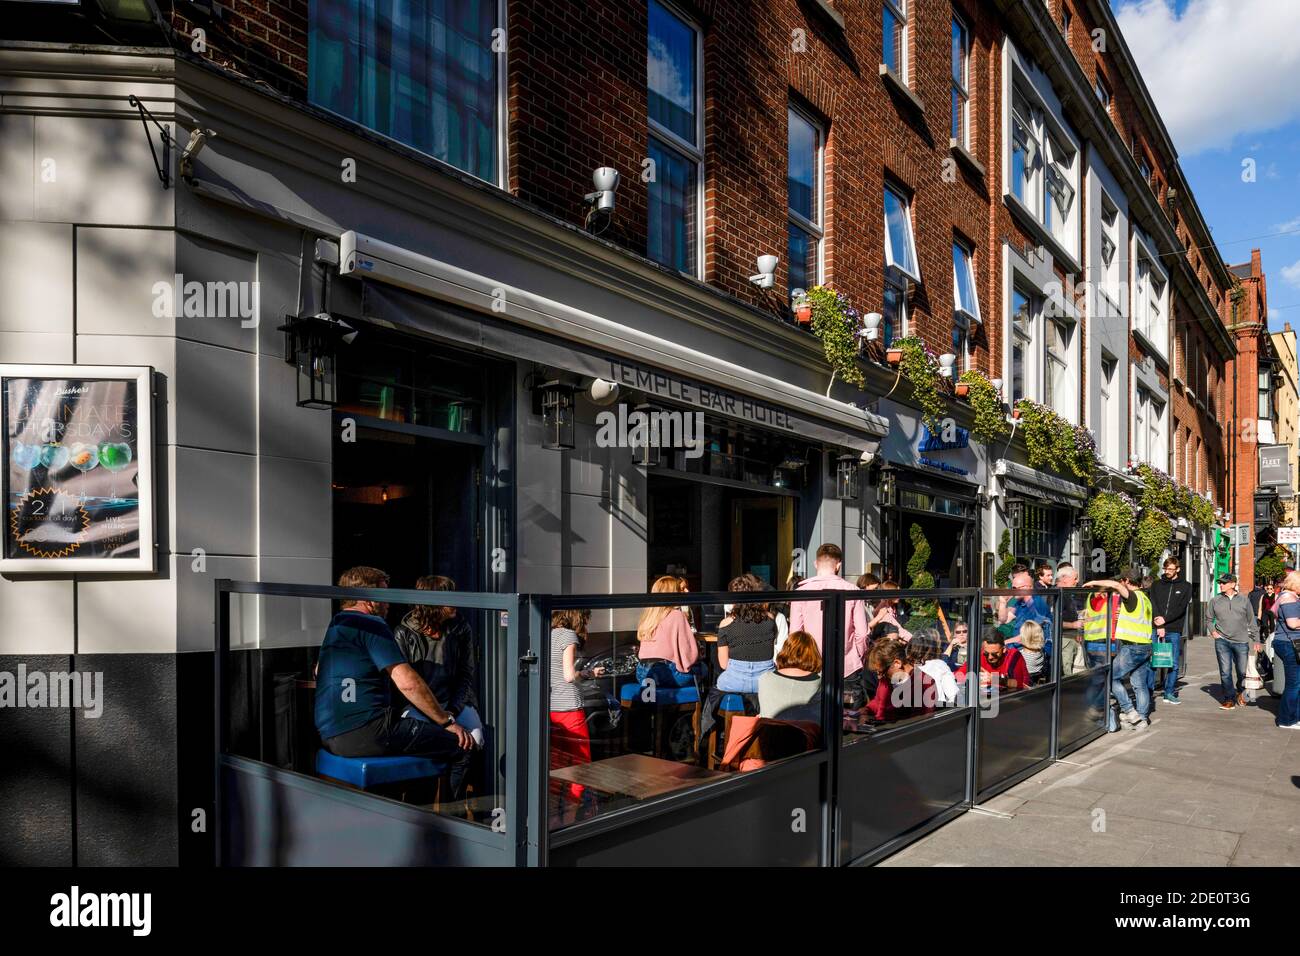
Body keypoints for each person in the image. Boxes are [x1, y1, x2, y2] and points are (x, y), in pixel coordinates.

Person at [314, 566, 475, 800]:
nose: (389, 602)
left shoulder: (338, 624)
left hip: (330, 735)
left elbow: (319, 671)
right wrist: (446, 721)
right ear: (367, 599)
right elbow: (408, 683)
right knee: (462, 745)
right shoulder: (372, 624)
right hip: (370, 732)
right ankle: (448, 822)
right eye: (384, 595)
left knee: (422, 740)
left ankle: (410, 811)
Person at [391, 575, 483, 745]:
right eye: (450, 597)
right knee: (427, 737)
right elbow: (402, 684)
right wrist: (436, 715)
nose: (456, 602)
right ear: (433, 602)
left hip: (453, 703)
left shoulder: (460, 628)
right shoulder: (404, 633)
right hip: (419, 705)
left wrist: (452, 711)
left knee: (474, 740)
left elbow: (466, 674)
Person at [790, 543, 871, 705]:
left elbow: (795, 633)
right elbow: (862, 633)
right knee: (848, 718)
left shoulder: (801, 592)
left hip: (812, 665)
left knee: (814, 718)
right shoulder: (852, 590)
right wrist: (858, 656)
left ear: (815, 564)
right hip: (846, 665)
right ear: (838, 565)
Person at [1083, 568, 1154, 730]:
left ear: (1128, 581)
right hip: (1145, 646)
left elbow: (1115, 585)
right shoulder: (1145, 598)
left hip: (1132, 647)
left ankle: (1130, 711)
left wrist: (1094, 582)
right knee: (1139, 684)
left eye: (1123, 581)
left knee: (1110, 677)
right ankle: (1141, 719)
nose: (1121, 584)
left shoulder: (1133, 596)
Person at [549, 607, 604, 800]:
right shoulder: (569, 636)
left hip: (552, 708)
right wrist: (587, 674)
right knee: (581, 764)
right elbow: (569, 675)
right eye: (586, 620)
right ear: (579, 618)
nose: (586, 625)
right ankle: (572, 812)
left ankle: (555, 812)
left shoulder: (549, 633)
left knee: (558, 763)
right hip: (570, 708)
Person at [636, 575, 702, 690]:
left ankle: (662, 703)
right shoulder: (677, 615)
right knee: (703, 669)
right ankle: (694, 705)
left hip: (642, 673)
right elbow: (689, 655)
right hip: (665, 673)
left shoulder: (648, 616)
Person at [1208, 572, 1260, 710]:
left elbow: (1251, 620)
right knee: (1225, 671)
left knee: (1242, 671)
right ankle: (1229, 699)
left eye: (1223, 583)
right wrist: (1213, 631)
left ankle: (1240, 692)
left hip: (1241, 641)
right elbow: (1208, 619)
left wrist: (1257, 640)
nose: (1221, 585)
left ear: (1232, 584)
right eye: (1220, 583)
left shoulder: (1244, 600)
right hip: (1222, 640)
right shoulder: (1215, 600)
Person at [1147, 557, 1191, 704]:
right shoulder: (1156, 585)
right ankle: (1148, 692)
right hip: (1156, 626)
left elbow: (1180, 608)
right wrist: (1159, 624)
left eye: (1171, 569)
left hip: (1173, 628)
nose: (1167, 572)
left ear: (1178, 569)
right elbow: (1153, 603)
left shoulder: (1186, 586)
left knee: (1173, 663)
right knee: (1154, 660)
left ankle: (1169, 692)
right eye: (1166, 569)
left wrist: (1165, 621)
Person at [758, 629, 823, 723]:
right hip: (806, 736)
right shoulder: (820, 684)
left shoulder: (764, 679)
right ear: (813, 654)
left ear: (785, 651)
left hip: (769, 735)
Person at [865, 637, 936, 722]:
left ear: (897, 663)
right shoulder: (886, 679)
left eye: (881, 672)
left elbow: (918, 723)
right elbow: (878, 701)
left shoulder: (924, 684)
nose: (879, 677)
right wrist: (865, 710)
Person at [954, 628, 1031, 693]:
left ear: (1004, 649)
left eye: (994, 654)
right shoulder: (981, 655)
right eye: (987, 653)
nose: (990, 657)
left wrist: (994, 679)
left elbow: (1023, 686)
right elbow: (958, 675)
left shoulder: (1013, 656)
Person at [1270, 569, 1300, 729]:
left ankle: (1294, 717)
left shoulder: (1285, 596)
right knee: (1294, 684)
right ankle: (1286, 720)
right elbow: (1293, 623)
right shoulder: (1289, 598)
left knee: (1296, 684)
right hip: (1291, 643)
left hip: (1286, 642)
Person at [907, 628, 959, 705]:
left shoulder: (904, 666)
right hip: (935, 712)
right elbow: (953, 695)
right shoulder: (939, 665)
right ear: (932, 647)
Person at [1056, 563, 1088, 677]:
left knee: (1072, 673)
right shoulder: (1057, 594)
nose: (1077, 581)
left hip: (1071, 638)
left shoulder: (1066, 593)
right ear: (1065, 579)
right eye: (1075, 578)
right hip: (1064, 639)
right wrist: (1073, 625)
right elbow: (1053, 620)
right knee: (1066, 673)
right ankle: (1064, 695)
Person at [1016, 619, 1046, 684]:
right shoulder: (1041, 652)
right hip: (1036, 681)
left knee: (994, 690)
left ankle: (993, 694)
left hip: (1023, 685)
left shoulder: (1020, 655)